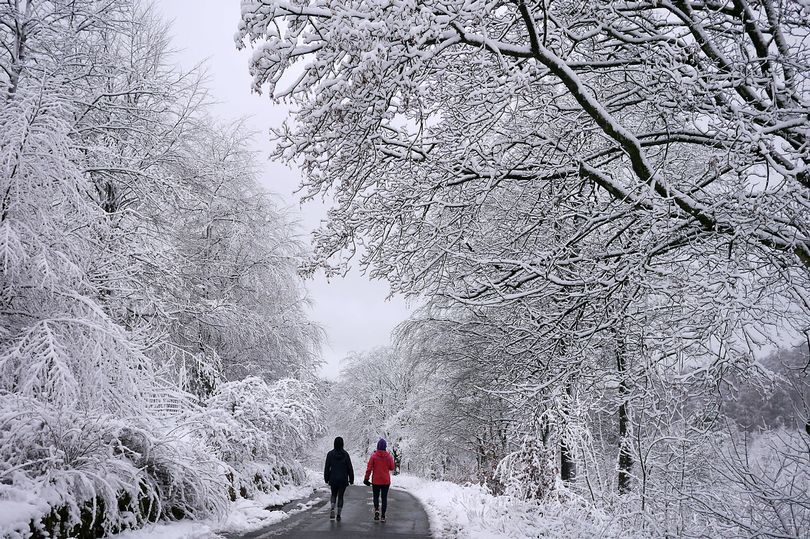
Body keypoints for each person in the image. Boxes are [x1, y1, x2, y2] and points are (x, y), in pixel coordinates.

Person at [363, 438, 395, 522]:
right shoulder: (389, 457)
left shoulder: (373, 456)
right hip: (385, 481)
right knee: (384, 498)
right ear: (385, 447)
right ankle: (383, 516)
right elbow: (392, 468)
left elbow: (369, 468)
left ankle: (377, 509)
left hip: (376, 481)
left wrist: (366, 479)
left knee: (376, 496)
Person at [324, 436, 354, 521]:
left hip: (333, 478)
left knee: (333, 494)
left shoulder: (330, 454)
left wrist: (326, 478)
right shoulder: (345, 454)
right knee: (340, 496)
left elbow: (327, 467)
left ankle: (332, 508)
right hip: (343, 479)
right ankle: (338, 515)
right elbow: (349, 468)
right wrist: (351, 479)